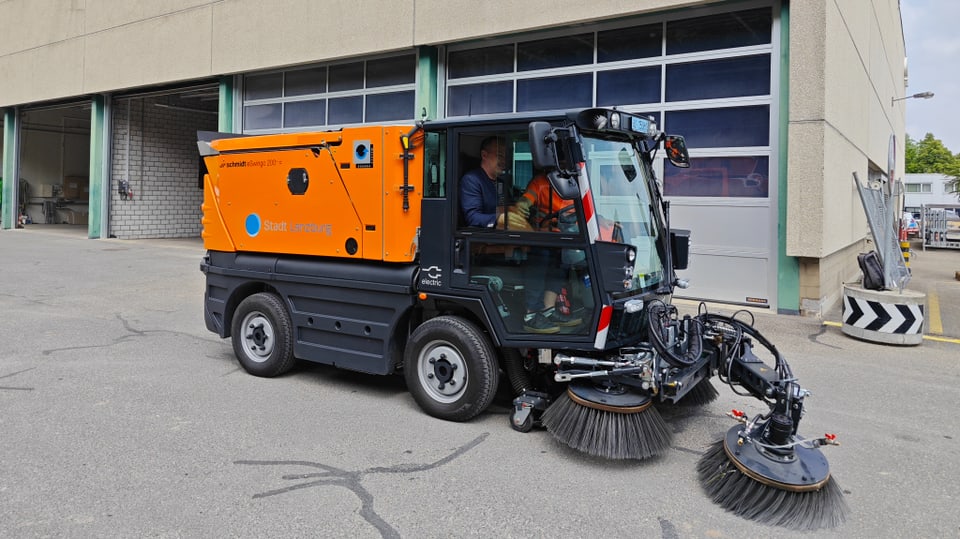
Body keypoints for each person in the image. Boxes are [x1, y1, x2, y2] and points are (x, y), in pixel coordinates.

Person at [514, 174, 582, 332]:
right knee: (541, 256)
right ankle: (531, 314)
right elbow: (526, 200)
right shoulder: (540, 183)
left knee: (563, 259)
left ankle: (548, 309)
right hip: (541, 236)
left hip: (562, 237)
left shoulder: (573, 184)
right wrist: (523, 205)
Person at [459, 136, 529, 230]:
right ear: (484, 155)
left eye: (506, 157)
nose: (504, 161)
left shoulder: (500, 183)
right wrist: (498, 219)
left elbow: (502, 205)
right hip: (484, 238)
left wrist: (515, 210)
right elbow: (473, 218)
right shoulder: (472, 180)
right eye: (500, 155)